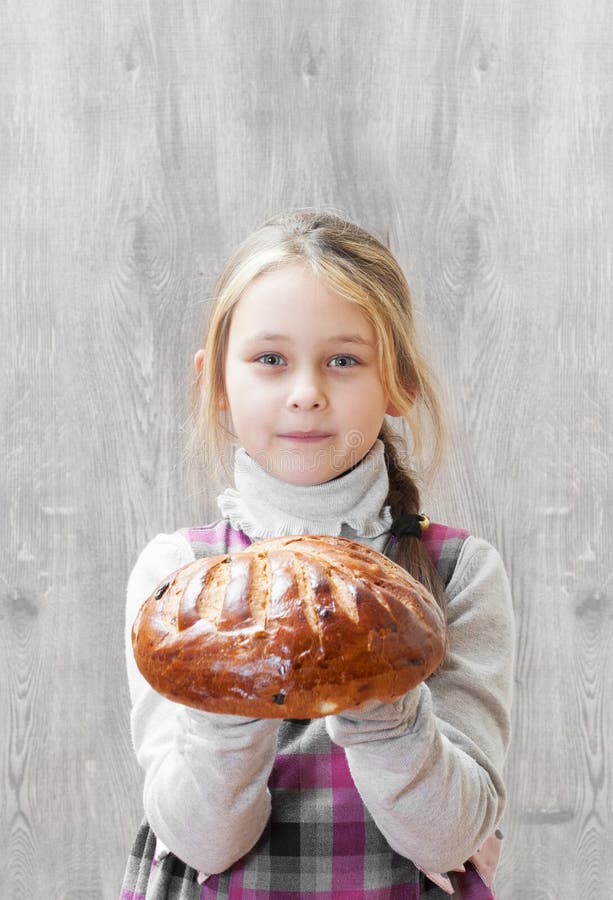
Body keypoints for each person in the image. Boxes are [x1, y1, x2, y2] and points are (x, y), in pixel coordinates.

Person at [120, 209, 515, 899]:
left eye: (343, 360)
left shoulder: (457, 573)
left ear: (398, 383)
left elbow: (447, 838)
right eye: (270, 359)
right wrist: (229, 687)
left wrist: (383, 695)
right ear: (214, 380)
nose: (306, 393)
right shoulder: (177, 585)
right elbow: (202, 841)